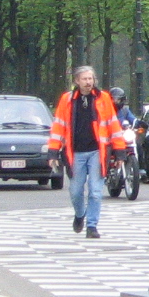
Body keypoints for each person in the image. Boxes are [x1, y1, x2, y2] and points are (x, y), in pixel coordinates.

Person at [46, 66, 126, 239]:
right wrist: (53, 152)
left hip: (98, 151)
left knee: (96, 191)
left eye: (91, 79)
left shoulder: (103, 98)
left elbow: (114, 126)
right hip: (75, 153)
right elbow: (58, 127)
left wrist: (119, 152)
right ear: (77, 81)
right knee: (75, 191)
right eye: (85, 79)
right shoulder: (67, 100)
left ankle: (92, 226)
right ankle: (80, 214)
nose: (88, 82)